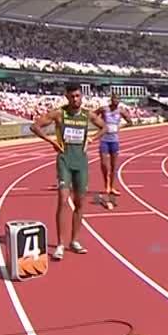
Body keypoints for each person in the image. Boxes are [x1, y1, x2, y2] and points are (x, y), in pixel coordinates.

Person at [31, 84, 105, 260]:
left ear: (82, 97)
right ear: (66, 97)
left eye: (78, 96)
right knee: (63, 201)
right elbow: (35, 127)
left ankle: (75, 240)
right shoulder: (59, 114)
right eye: (72, 97)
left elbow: (105, 127)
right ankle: (60, 244)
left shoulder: (87, 115)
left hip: (81, 162)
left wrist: (92, 138)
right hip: (64, 161)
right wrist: (51, 142)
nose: (75, 99)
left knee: (80, 203)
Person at [96, 92, 129, 197]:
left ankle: (112, 186)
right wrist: (100, 125)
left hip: (114, 140)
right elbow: (92, 116)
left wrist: (119, 127)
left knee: (114, 166)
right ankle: (106, 183)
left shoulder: (121, 111)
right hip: (104, 140)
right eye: (115, 99)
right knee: (104, 165)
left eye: (118, 99)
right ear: (111, 99)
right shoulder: (104, 109)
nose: (116, 101)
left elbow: (130, 121)